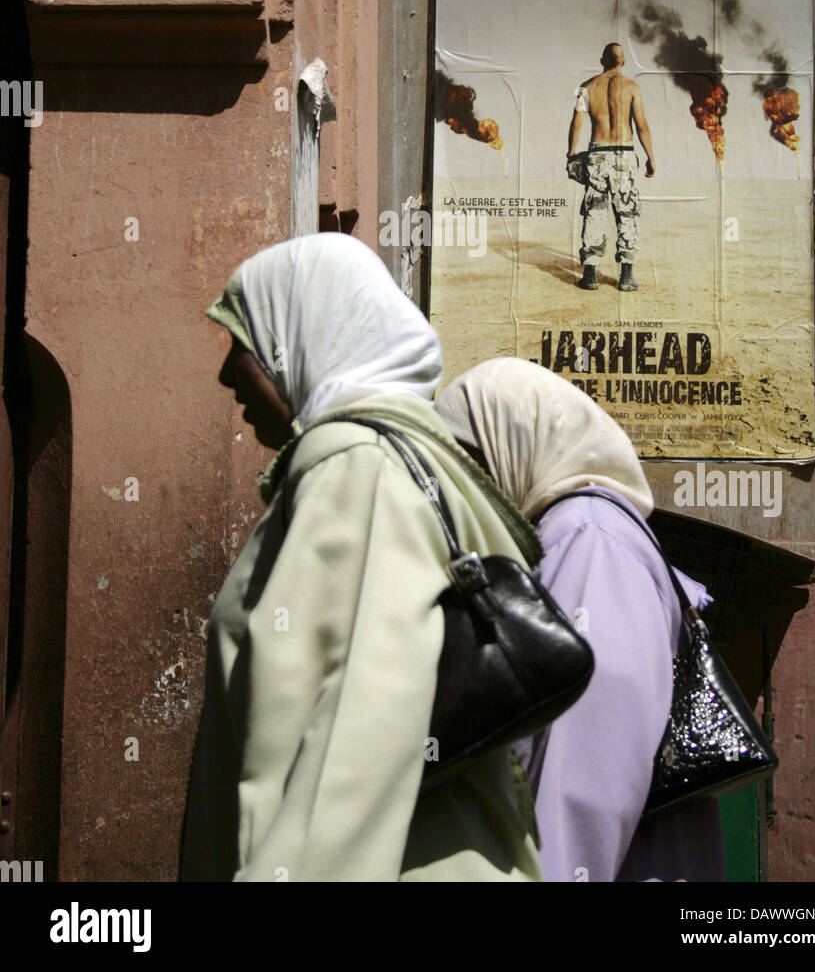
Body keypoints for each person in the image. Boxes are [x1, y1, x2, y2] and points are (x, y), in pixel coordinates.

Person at [180, 233, 544, 883]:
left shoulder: (358, 467)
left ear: (304, 332)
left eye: (246, 341)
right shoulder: (391, 458)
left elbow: (358, 732)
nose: (227, 371)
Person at [436, 357, 726, 884]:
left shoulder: (587, 537)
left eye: (466, 462)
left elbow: (585, 784)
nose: (453, 492)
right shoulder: (574, 533)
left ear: (512, 448)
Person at [567, 41, 655, 292]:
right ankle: (626, 275)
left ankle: (591, 274)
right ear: (623, 62)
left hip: (597, 154)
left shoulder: (585, 88)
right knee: (627, 211)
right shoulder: (633, 87)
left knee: (594, 211)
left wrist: (571, 155)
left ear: (602, 61)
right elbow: (642, 126)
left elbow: (576, 124)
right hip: (625, 155)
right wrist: (650, 157)